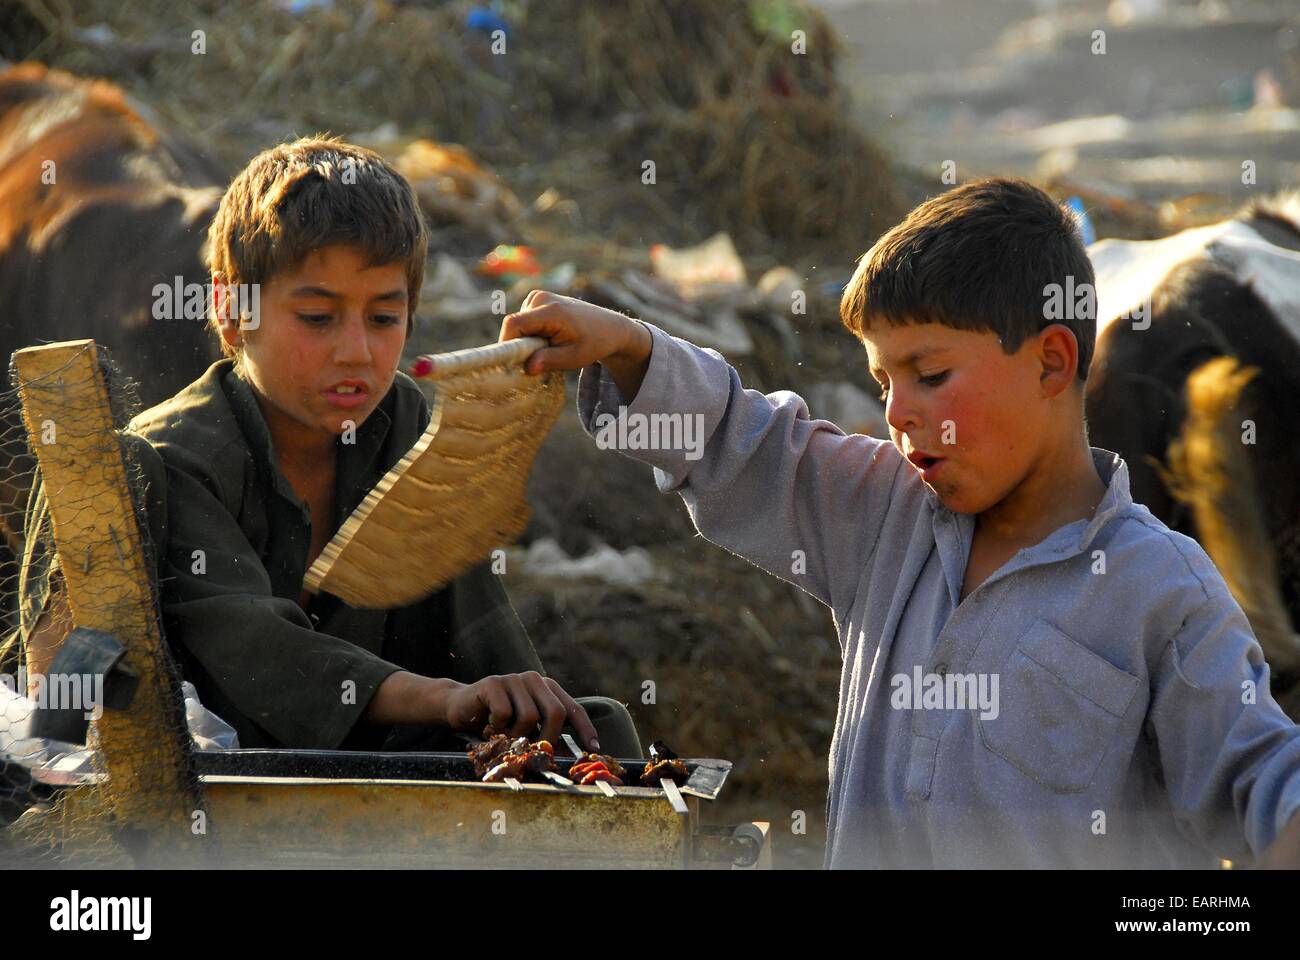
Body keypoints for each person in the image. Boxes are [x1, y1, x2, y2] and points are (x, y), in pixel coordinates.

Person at [498, 177, 1300, 868]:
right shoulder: (883, 518)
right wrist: (631, 347)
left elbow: (1260, 777)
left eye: (930, 374)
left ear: (1053, 362)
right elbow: (742, 446)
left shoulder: (1163, 591)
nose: (897, 414)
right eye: (883, 382)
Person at [46, 135, 639, 757]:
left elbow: (479, 624)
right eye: (317, 318)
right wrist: (446, 700)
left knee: (600, 730)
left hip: (379, 753)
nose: (356, 351)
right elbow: (259, 650)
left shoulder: (405, 420)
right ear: (229, 310)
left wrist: (523, 711)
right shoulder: (169, 458)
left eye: (383, 318)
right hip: (228, 768)